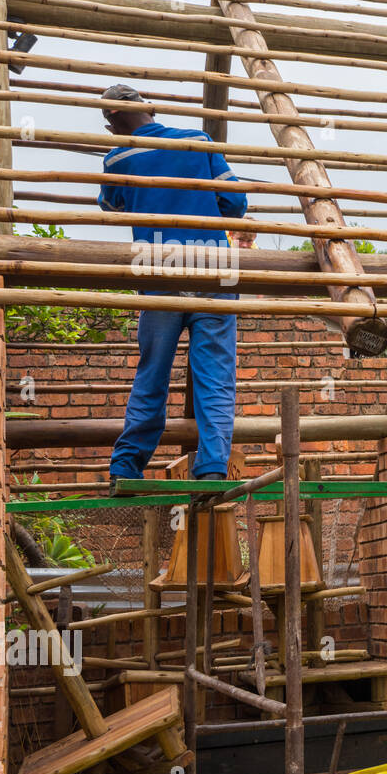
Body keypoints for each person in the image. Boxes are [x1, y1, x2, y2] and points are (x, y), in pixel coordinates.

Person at [96, 84, 248, 491]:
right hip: (215, 271)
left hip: (158, 271)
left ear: (112, 122)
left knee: (152, 374)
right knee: (215, 378)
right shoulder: (198, 141)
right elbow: (236, 205)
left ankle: (125, 467)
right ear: (150, 107)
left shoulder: (118, 157)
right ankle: (212, 468)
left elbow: (112, 206)